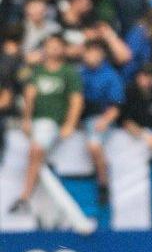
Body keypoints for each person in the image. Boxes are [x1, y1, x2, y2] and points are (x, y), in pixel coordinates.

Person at [9, 35, 84, 214]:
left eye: (57, 46)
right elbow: (29, 96)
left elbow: (76, 100)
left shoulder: (68, 72)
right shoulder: (37, 71)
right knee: (32, 154)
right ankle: (25, 196)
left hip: (51, 121)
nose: (53, 50)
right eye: (49, 46)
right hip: (35, 120)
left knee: (35, 150)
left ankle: (25, 196)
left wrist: (70, 124)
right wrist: (26, 119)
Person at [78, 40, 125, 205]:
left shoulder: (110, 75)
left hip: (100, 117)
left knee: (94, 145)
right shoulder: (79, 72)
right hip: (81, 119)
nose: (91, 56)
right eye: (88, 52)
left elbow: (116, 106)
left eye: (95, 52)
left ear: (102, 54)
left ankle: (103, 184)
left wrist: (105, 121)